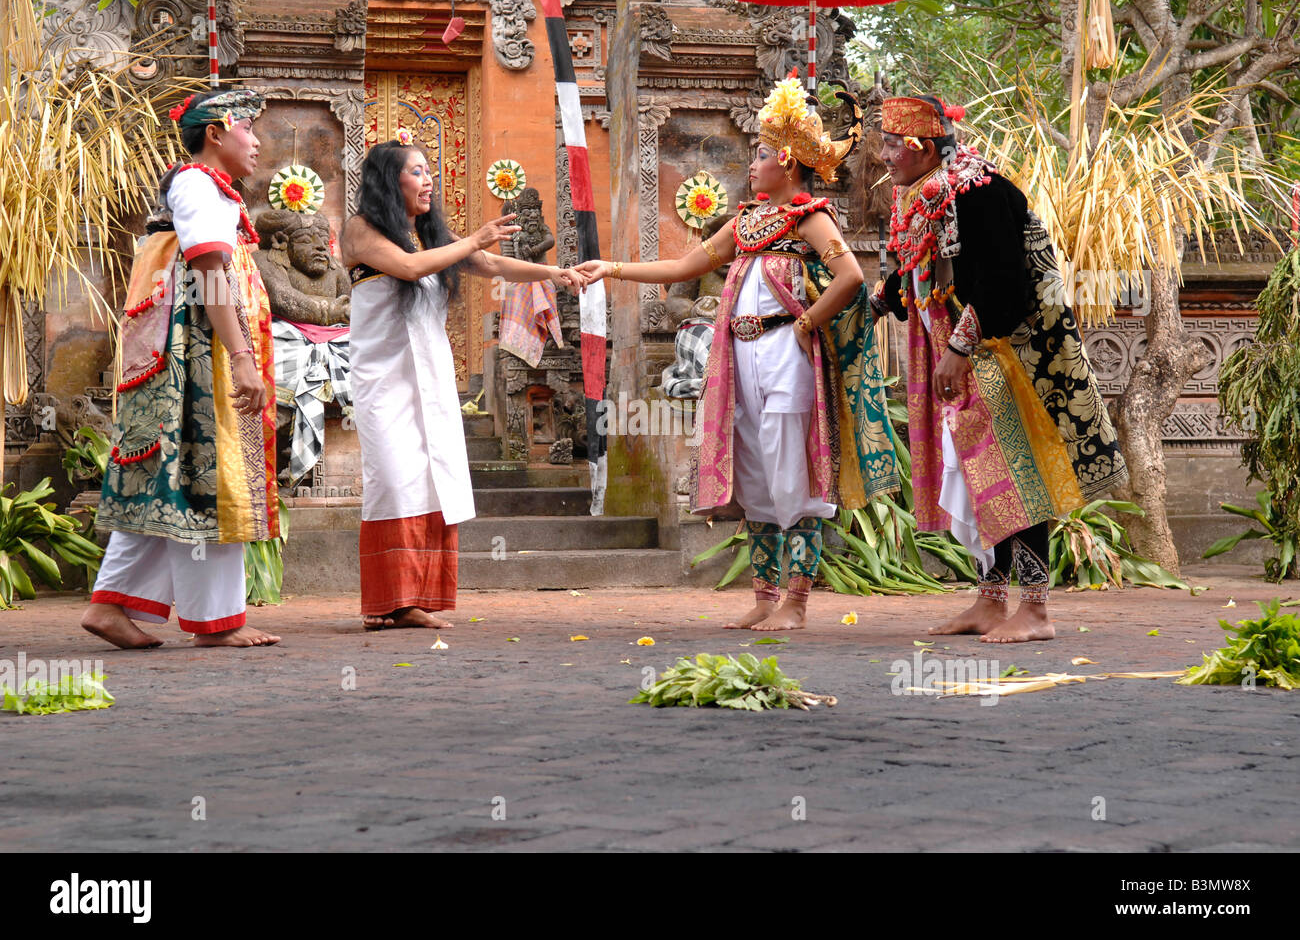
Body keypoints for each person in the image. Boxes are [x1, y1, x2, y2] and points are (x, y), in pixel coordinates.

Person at [581, 74, 898, 631]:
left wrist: (807, 321)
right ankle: (763, 597)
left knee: (790, 472)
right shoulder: (747, 221)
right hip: (739, 356)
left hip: (786, 353)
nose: (752, 165)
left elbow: (850, 276)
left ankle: (796, 604)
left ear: (789, 162)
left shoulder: (811, 218)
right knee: (752, 471)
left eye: (760, 155)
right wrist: (613, 269)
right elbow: (684, 268)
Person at [871, 95, 1126, 643]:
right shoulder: (918, 194)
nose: (883, 155)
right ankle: (990, 601)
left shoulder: (977, 189)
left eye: (892, 145)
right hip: (951, 352)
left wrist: (960, 348)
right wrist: (868, 305)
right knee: (979, 477)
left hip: (998, 352)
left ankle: (1035, 610)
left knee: (1015, 474)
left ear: (921, 146)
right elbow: (912, 274)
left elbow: (1006, 282)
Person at [341, 131, 587, 630]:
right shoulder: (361, 230)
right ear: (391, 181)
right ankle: (387, 600)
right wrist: (472, 239)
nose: (428, 181)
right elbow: (409, 269)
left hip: (429, 378)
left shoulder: (429, 236)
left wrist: (555, 274)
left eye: (429, 171)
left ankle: (415, 600)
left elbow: (491, 263)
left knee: (430, 478)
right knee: (392, 479)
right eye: (417, 172)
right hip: (383, 380)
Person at [82, 88, 282, 649]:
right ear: (215, 134)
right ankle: (216, 622)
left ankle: (111, 604)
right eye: (247, 127)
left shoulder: (204, 187)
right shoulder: (198, 182)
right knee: (207, 474)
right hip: (198, 356)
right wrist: (242, 358)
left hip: (189, 350)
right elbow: (210, 269)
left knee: (166, 480)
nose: (257, 139)